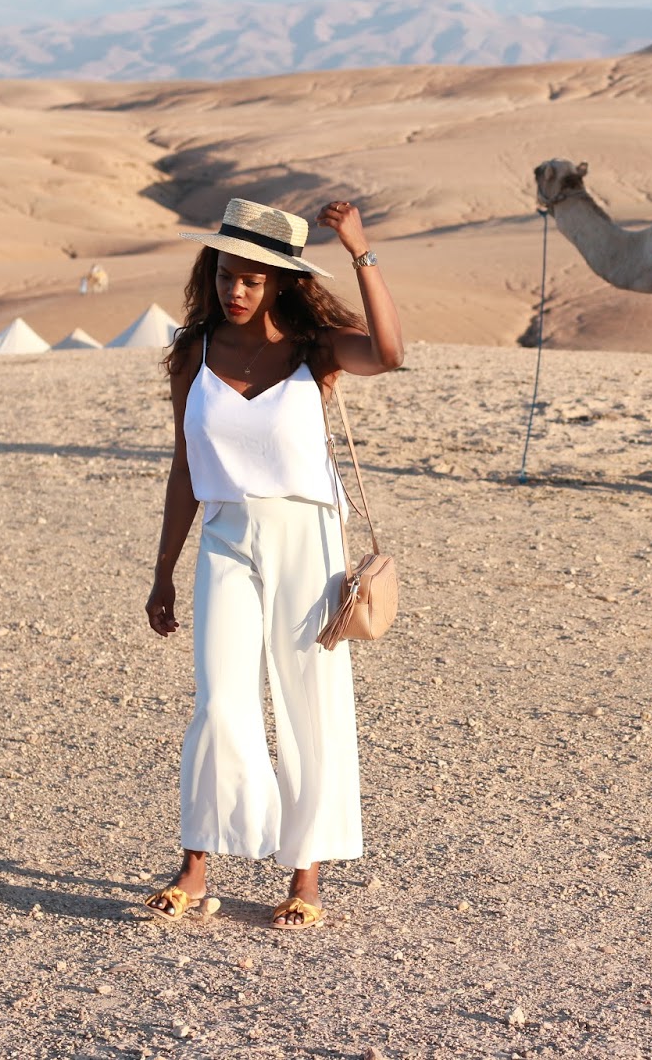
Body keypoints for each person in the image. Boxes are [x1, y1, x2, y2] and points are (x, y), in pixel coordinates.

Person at [142, 197, 403, 930]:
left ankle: (305, 874)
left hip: (305, 537)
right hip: (225, 535)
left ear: (281, 282)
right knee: (219, 697)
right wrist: (164, 569)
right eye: (228, 273)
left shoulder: (314, 348)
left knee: (305, 700)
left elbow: (389, 352)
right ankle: (195, 866)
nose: (237, 289)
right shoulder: (192, 351)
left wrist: (360, 251)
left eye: (254, 278)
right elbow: (185, 465)